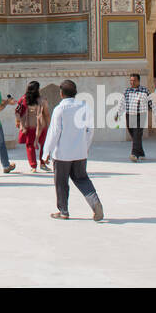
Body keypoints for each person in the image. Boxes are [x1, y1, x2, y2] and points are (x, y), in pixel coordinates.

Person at [44, 79, 103, 221]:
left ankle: (63, 211)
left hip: (62, 154)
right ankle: (95, 203)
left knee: (61, 183)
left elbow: (54, 132)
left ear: (61, 93)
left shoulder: (59, 109)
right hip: (80, 153)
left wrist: (46, 152)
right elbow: (90, 130)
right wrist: (85, 147)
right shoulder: (85, 107)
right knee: (82, 179)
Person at [15, 81, 52, 172]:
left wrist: (18, 122)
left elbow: (17, 111)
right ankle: (43, 164)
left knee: (30, 145)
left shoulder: (23, 99)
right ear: (37, 89)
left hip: (29, 126)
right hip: (41, 126)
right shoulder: (42, 100)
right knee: (44, 145)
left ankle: (33, 166)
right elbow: (46, 114)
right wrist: (50, 124)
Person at [123, 73, 151, 162]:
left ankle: (134, 154)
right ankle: (141, 152)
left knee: (137, 134)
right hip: (129, 114)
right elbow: (122, 102)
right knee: (134, 134)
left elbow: (150, 101)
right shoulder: (127, 91)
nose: (132, 82)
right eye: (131, 80)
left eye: (134, 80)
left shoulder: (144, 90)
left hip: (140, 114)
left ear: (138, 81)